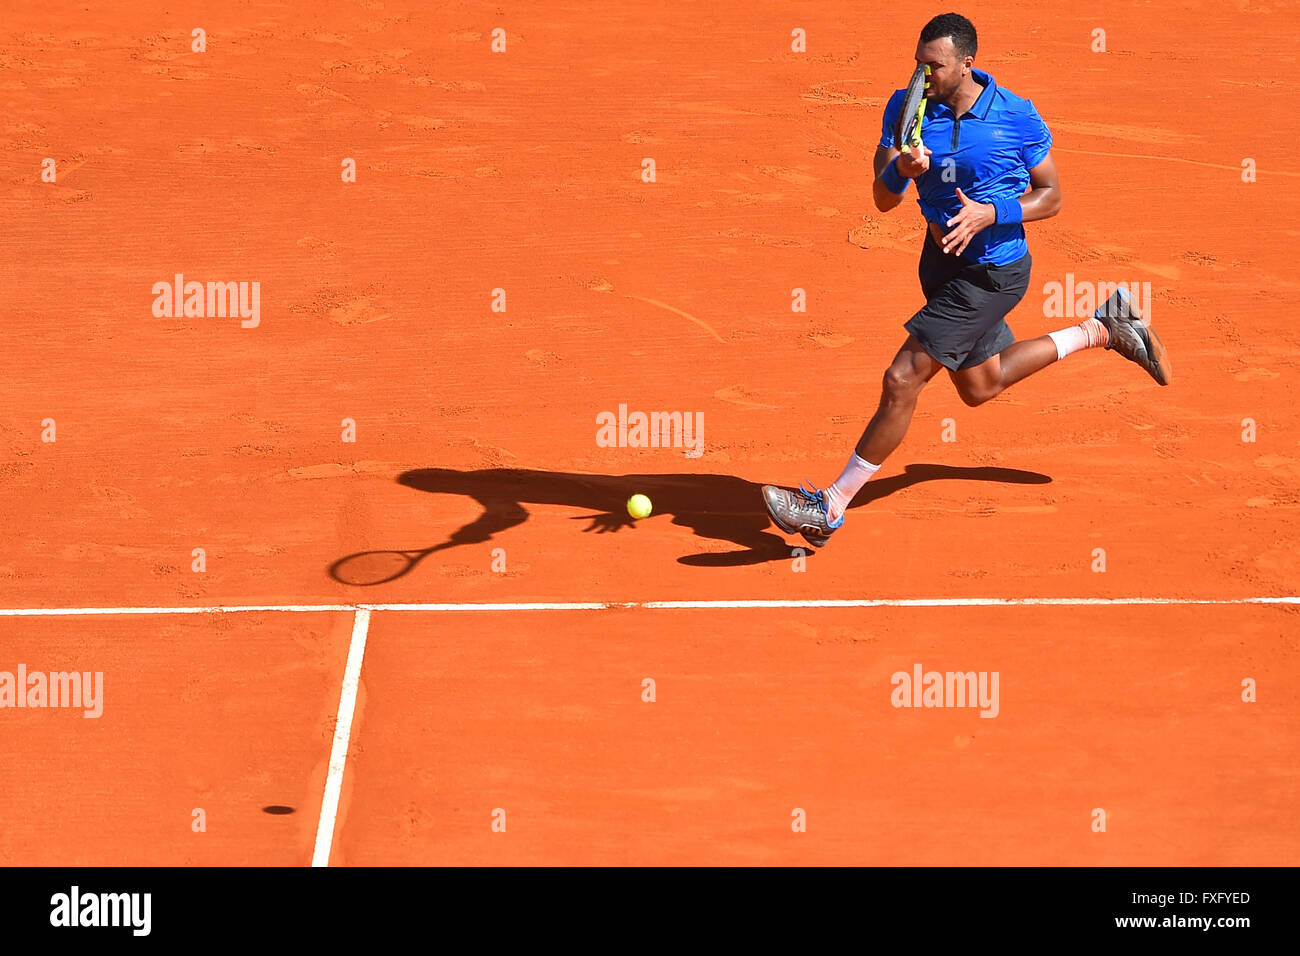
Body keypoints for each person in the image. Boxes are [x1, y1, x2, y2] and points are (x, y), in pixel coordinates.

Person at [761, 12, 1170, 549]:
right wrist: (900, 173)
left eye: (933, 66)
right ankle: (1103, 329)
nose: (922, 75)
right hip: (940, 264)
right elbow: (883, 201)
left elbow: (1051, 196)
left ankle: (829, 506)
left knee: (902, 379)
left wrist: (990, 212)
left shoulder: (1016, 118)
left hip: (992, 274)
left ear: (966, 65)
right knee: (982, 385)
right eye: (918, 63)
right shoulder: (906, 108)